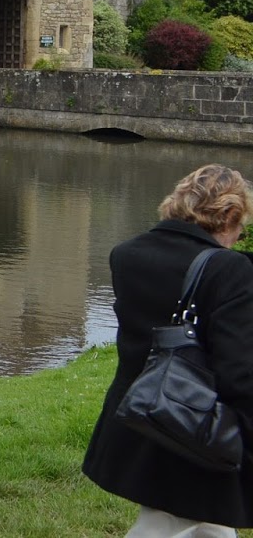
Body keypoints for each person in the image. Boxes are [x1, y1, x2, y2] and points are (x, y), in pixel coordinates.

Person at [83, 164, 253, 537]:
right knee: (163, 524)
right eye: (240, 226)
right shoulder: (229, 270)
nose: (240, 237)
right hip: (198, 417)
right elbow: (238, 369)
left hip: (143, 411)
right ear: (227, 215)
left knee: (210, 524)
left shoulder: (126, 254)